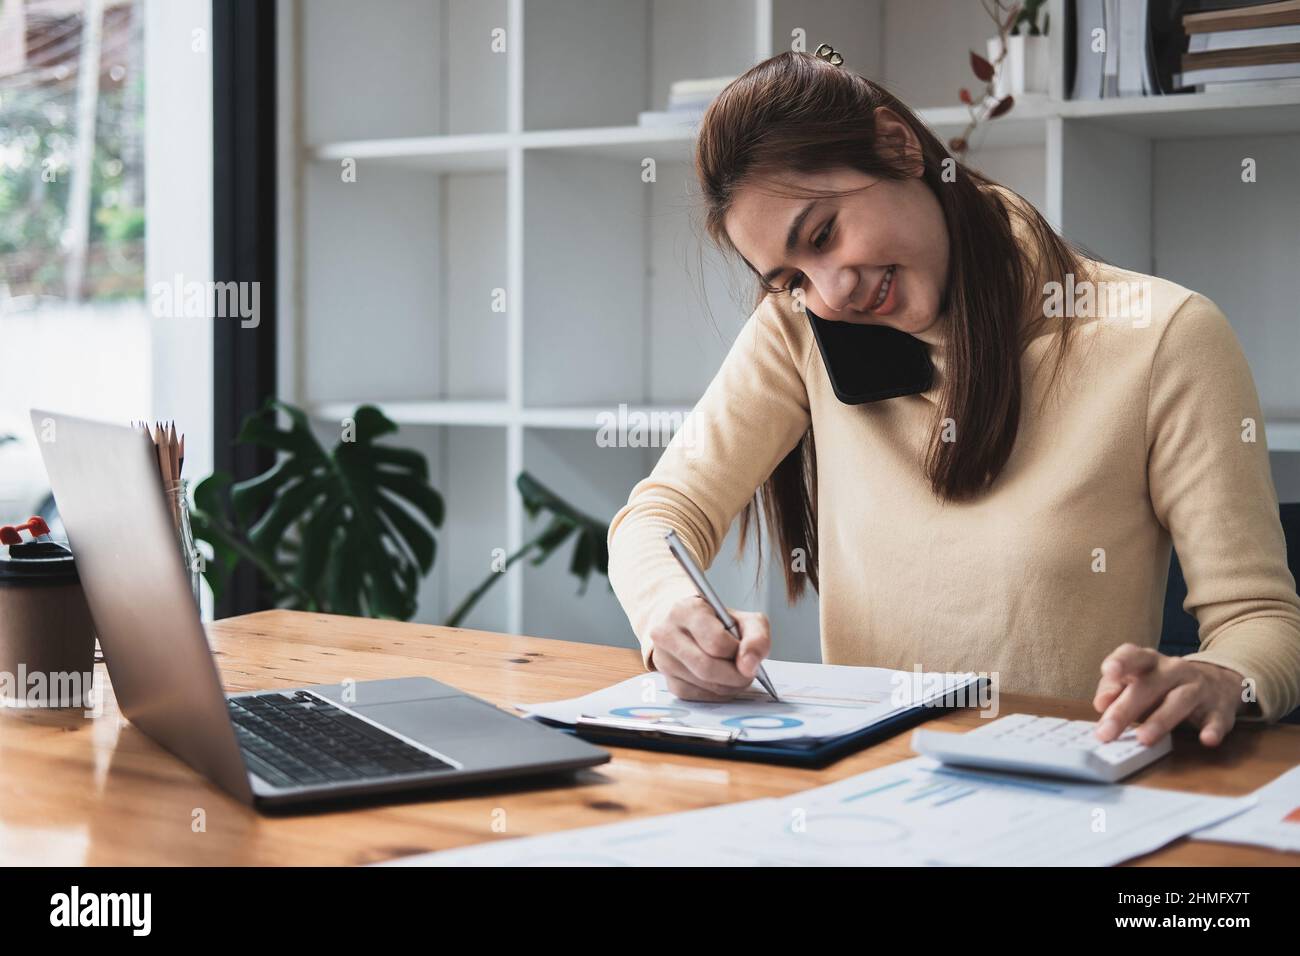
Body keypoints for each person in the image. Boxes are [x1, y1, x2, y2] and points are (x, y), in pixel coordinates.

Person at [606, 49, 1300, 746]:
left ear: (897, 146)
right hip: (867, 800)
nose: (830, 292)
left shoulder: (1163, 338)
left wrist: (1217, 680)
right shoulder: (799, 330)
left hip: (1067, 804)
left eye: (823, 234)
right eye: (792, 276)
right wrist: (670, 611)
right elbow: (660, 514)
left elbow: (1260, 622)